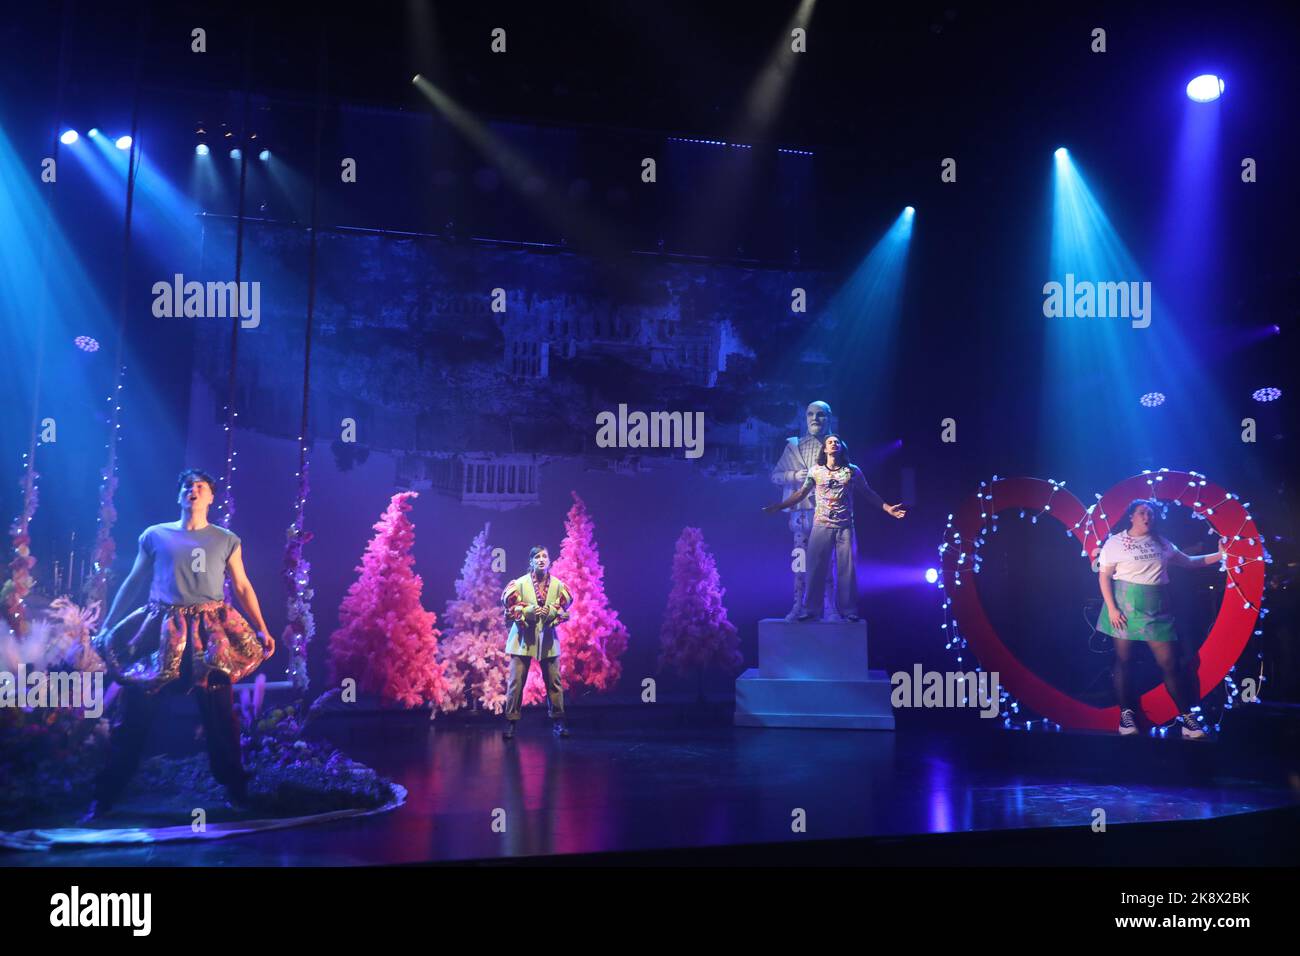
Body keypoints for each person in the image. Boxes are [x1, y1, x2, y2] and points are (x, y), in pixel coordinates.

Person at [82, 468, 274, 820]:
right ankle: (106, 795)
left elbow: (243, 585)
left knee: (220, 715)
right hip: (162, 630)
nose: (194, 491)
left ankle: (237, 790)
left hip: (209, 633)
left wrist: (261, 627)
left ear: (211, 497)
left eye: (201, 487)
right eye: (188, 485)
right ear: (179, 495)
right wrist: (108, 624)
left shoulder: (226, 539)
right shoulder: (155, 536)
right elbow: (134, 580)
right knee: (136, 712)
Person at [1096, 498, 1225, 739]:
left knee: (1169, 664)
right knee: (1124, 661)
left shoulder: (1162, 543)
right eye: (1142, 512)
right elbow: (1104, 577)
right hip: (1125, 606)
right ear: (1131, 516)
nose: (1147, 517)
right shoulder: (1115, 543)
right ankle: (1126, 716)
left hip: (1157, 608)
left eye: (1151, 514)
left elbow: (1189, 562)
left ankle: (1187, 719)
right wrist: (1112, 609)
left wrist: (1220, 555)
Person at [764, 434, 906, 621]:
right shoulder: (815, 471)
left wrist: (887, 508)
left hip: (845, 526)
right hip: (821, 525)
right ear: (824, 449)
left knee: (847, 570)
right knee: (815, 568)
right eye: (830, 442)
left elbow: (868, 493)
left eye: (836, 442)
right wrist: (779, 506)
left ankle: (849, 610)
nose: (833, 444)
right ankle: (811, 610)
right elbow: (800, 493)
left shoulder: (852, 471)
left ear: (841, 448)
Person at [771, 401, 835, 621]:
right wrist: (793, 476)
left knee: (826, 562)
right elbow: (776, 475)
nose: (815, 419)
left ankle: (829, 607)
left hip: (826, 512)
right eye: (810, 414)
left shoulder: (836, 446)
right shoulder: (794, 446)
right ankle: (799, 605)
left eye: (820, 415)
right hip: (801, 514)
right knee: (800, 561)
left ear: (829, 418)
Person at [500, 545, 573, 739]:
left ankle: (558, 721)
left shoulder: (558, 585)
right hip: (522, 639)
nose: (541, 559)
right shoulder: (520, 583)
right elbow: (509, 609)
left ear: (549, 561)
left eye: (545, 556)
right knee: (516, 682)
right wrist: (529, 611)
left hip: (547, 639)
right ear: (531, 561)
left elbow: (564, 611)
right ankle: (511, 722)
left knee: (554, 683)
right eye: (537, 557)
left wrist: (551, 611)